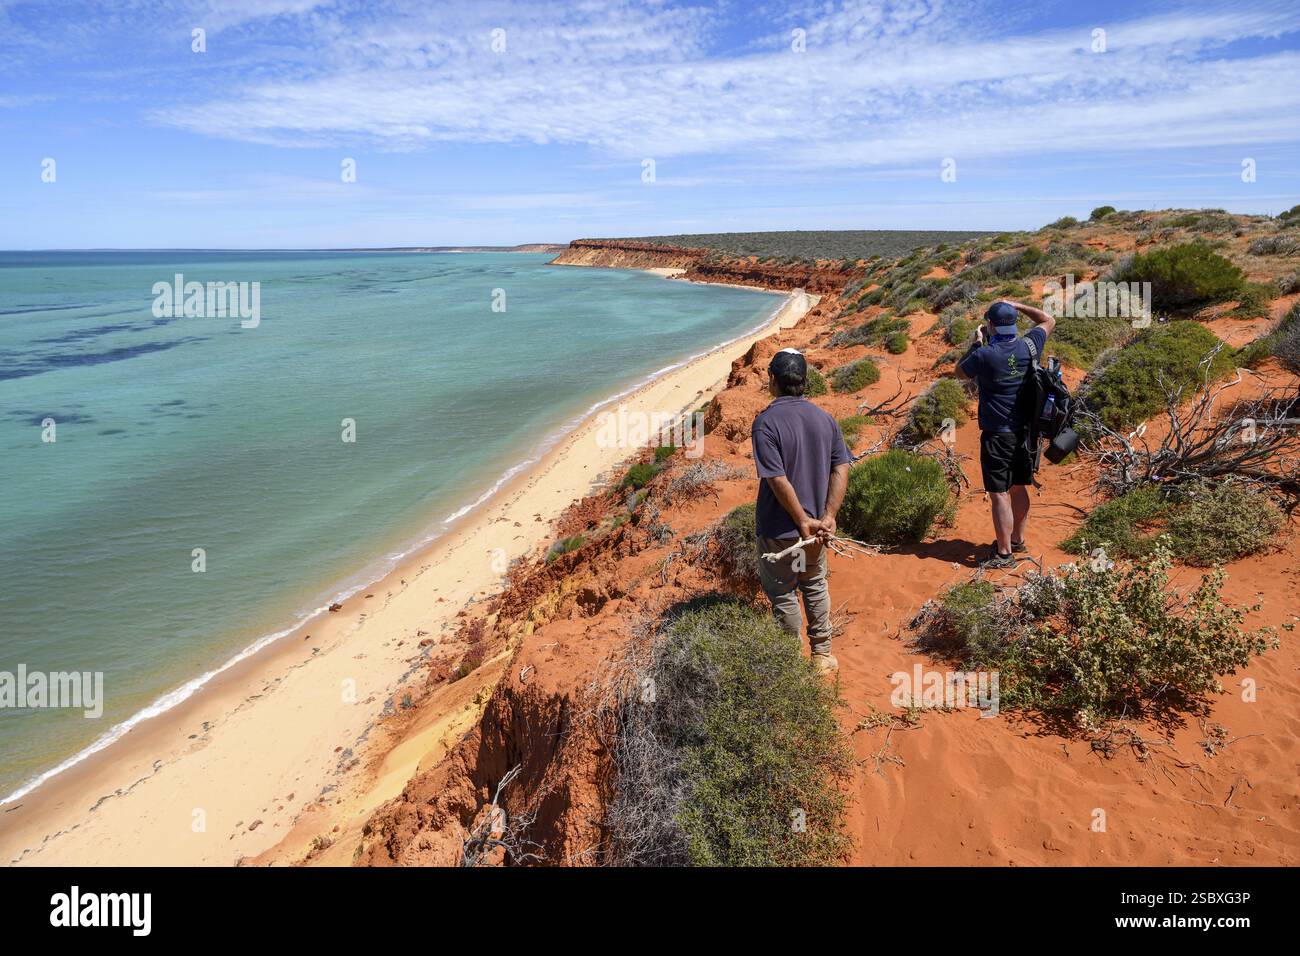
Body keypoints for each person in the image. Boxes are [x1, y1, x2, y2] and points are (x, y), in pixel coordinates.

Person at [751, 348, 851, 674]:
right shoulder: (825, 419)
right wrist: (828, 516)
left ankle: (791, 661)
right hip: (817, 531)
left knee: (782, 592)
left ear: (773, 380)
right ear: (805, 382)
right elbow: (842, 466)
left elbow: (777, 478)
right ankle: (822, 656)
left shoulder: (765, 422)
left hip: (782, 532)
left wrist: (801, 521)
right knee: (813, 583)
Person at [955, 300, 1056, 568]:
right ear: (1014, 324)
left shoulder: (984, 354)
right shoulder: (1029, 345)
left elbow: (959, 373)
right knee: (1020, 485)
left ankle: (1004, 553)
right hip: (1025, 432)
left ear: (990, 326)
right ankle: (1017, 540)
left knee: (999, 492)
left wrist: (976, 344)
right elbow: (1048, 319)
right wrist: (1017, 305)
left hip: (997, 434)